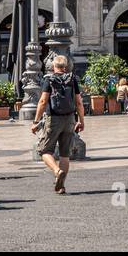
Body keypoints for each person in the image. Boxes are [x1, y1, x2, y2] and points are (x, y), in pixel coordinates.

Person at [31, 54, 86, 194]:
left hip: (53, 119)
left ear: (53, 66)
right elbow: (79, 102)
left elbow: (43, 101)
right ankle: (61, 186)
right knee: (64, 155)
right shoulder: (72, 79)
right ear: (66, 66)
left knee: (44, 150)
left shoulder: (49, 79)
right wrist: (81, 121)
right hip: (69, 119)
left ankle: (57, 171)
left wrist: (36, 121)